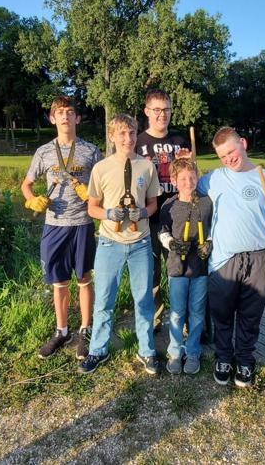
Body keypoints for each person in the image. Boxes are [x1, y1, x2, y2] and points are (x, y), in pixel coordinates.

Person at [198, 127, 265, 388]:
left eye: (231, 152)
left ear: (243, 143)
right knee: (222, 312)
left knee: (251, 314)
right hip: (223, 260)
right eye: (222, 156)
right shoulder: (213, 179)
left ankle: (244, 358)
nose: (229, 159)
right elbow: (188, 186)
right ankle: (223, 357)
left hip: (259, 258)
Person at [21, 96, 102, 361]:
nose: (65, 116)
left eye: (70, 112)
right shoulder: (44, 152)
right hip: (54, 225)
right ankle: (62, 331)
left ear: (77, 118)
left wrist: (90, 194)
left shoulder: (90, 151)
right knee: (59, 282)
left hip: (82, 223)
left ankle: (85, 330)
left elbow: (102, 188)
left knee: (84, 279)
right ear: (52, 118)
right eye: (59, 112)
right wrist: (31, 199)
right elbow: (27, 184)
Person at [79, 114, 162, 375]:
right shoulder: (101, 168)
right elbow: (91, 208)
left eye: (132, 133)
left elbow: (153, 204)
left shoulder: (147, 167)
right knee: (104, 299)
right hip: (109, 243)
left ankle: (146, 351)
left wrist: (144, 214)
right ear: (112, 136)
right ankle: (98, 350)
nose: (128, 138)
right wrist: (108, 214)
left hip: (140, 244)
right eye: (122, 134)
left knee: (144, 300)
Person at [135, 89, 191, 324]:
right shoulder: (138, 142)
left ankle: (184, 320)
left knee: (180, 268)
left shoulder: (180, 142)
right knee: (151, 272)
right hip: (149, 217)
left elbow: (190, 176)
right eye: (157, 109)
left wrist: (190, 162)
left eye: (166, 109)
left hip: (176, 216)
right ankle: (156, 319)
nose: (162, 114)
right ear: (147, 111)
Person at [157, 158, 213, 375]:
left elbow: (213, 229)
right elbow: (162, 231)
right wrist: (171, 243)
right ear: (174, 181)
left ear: (197, 177)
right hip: (176, 269)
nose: (188, 182)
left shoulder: (207, 203)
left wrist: (209, 243)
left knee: (197, 312)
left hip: (200, 268)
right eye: (183, 179)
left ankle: (193, 351)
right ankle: (174, 352)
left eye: (192, 177)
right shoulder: (168, 206)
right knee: (177, 312)